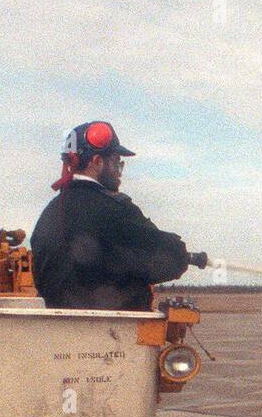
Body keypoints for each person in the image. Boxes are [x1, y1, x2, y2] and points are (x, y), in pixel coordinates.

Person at [30, 120, 191, 310]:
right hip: (116, 335)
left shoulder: (49, 215)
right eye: (117, 162)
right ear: (97, 162)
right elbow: (171, 256)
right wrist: (182, 254)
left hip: (59, 334)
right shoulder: (116, 210)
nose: (119, 172)